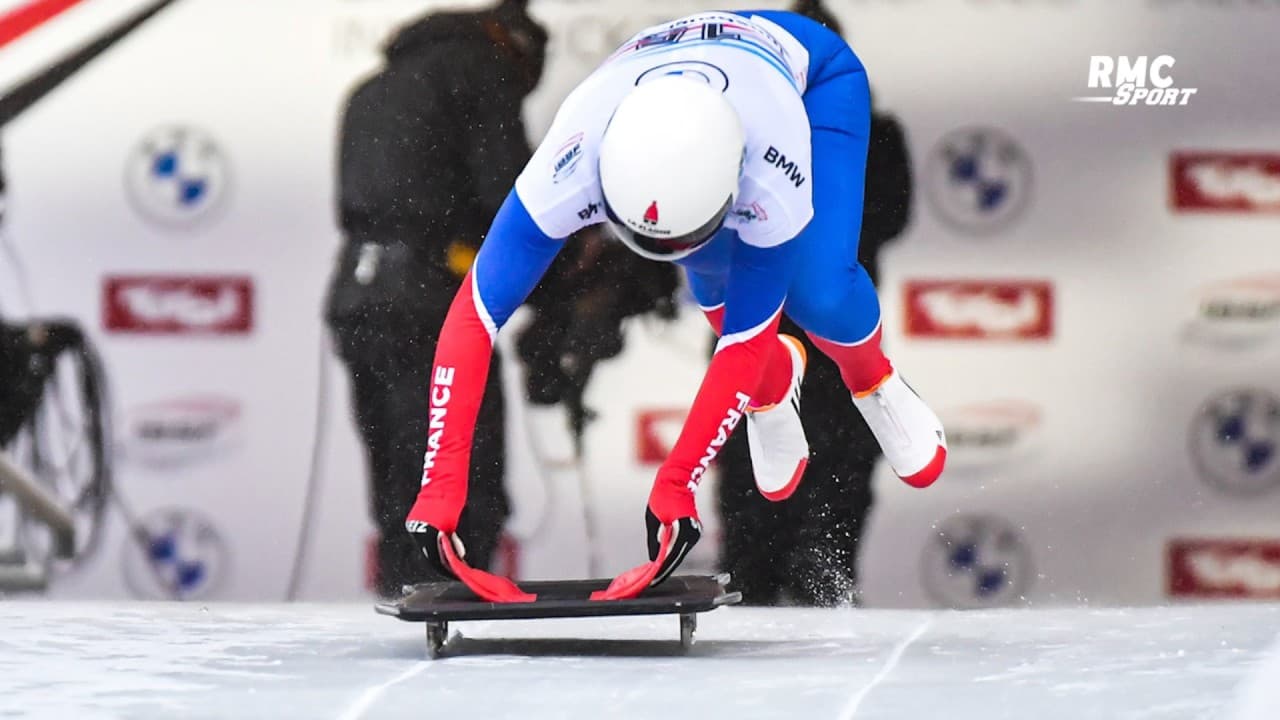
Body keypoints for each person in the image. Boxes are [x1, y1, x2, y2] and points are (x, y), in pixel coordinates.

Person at [404, 9, 947, 601]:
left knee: (817, 292)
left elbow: (748, 335)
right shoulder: (571, 157)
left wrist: (676, 485)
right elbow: (473, 315)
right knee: (710, 278)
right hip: (681, 85)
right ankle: (772, 388)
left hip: (812, 79)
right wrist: (439, 488)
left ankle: (875, 382)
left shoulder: (772, 164)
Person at [324, 0, 546, 597]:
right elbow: (513, 202)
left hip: (357, 298)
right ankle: (460, 605)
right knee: (461, 475)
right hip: (429, 304)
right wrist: (570, 273)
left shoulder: (370, 90)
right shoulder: (481, 68)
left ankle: (409, 603)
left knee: (398, 479)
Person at [715, 0, 915, 606]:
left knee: (844, 454)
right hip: (762, 317)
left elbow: (888, 217)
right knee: (754, 445)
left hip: (830, 322)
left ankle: (824, 573)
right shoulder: (736, 131)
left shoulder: (876, 134)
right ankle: (751, 579)